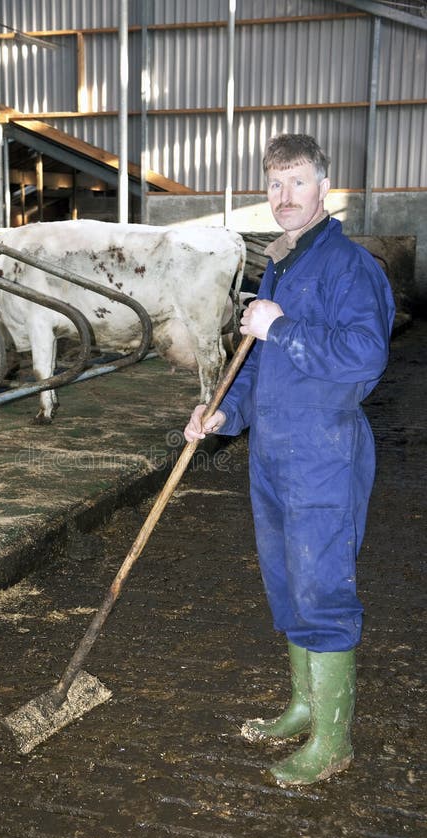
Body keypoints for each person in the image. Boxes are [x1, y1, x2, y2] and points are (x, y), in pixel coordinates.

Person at [184, 133, 395, 786]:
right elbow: (255, 367)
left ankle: (331, 741)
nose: (283, 196)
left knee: (322, 588)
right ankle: (304, 703)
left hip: (322, 455)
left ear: (322, 188)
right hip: (272, 452)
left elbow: (363, 356)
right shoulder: (281, 263)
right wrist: (223, 414)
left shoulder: (347, 266)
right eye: (273, 183)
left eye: (296, 182)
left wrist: (280, 325)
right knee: (287, 581)